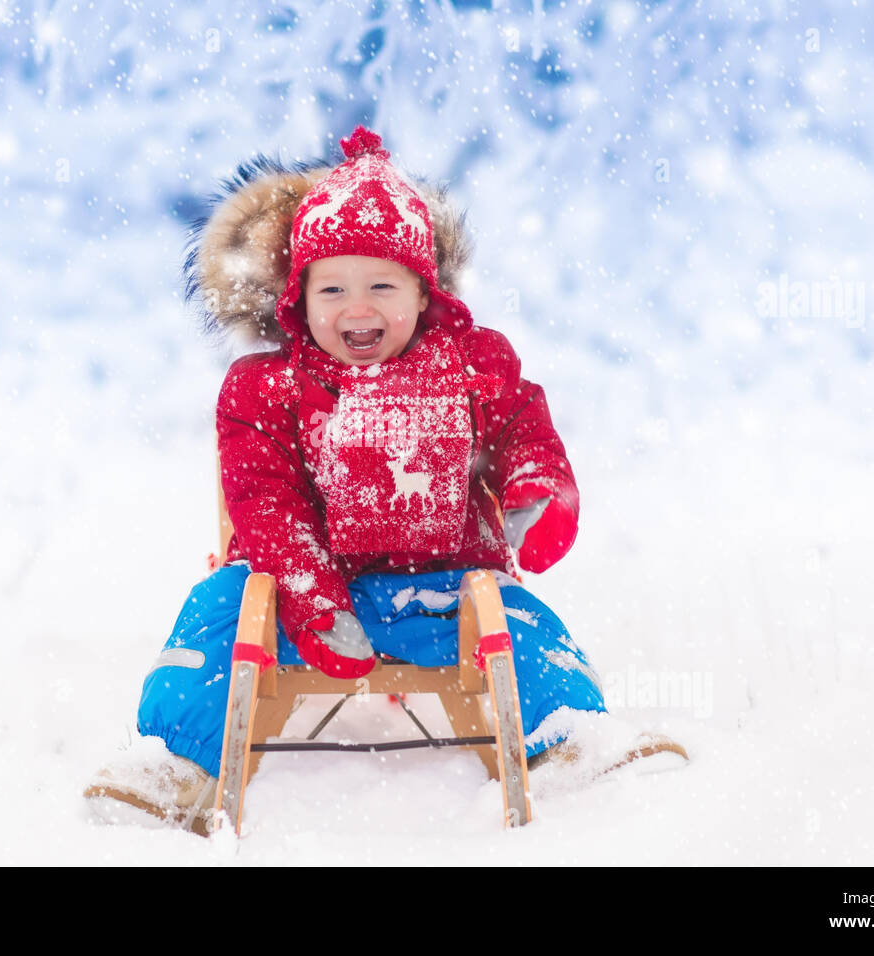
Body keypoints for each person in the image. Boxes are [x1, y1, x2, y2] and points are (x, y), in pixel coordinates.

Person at [86, 127, 675, 834]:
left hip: (444, 593)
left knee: (523, 626)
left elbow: (523, 425)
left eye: (382, 286)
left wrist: (535, 492)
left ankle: (570, 738)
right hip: (296, 597)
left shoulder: (470, 363)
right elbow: (264, 503)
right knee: (216, 614)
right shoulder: (266, 388)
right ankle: (174, 763)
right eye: (331, 288)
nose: (356, 309)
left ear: (423, 294)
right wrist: (314, 599)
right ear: (296, 300)